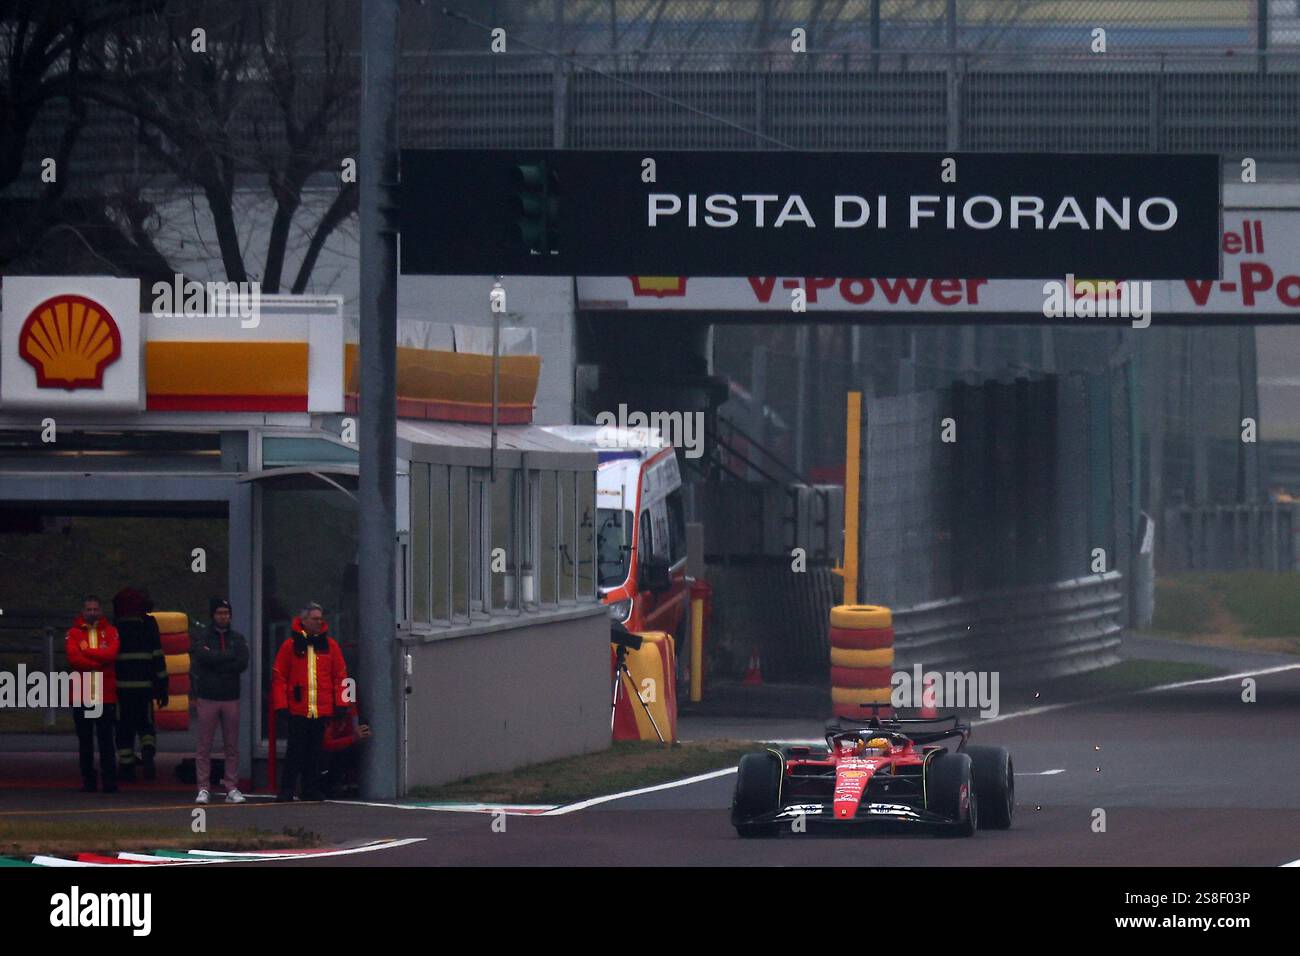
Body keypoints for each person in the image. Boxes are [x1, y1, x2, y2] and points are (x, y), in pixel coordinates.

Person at [271, 602, 350, 802]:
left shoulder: (330, 645)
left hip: (321, 709)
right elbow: (279, 677)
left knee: (315, 753)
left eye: (320, 618)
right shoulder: (290, 646)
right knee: (295, 751)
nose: (319, 622)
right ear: (304, 620)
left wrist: (341, 704)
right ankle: (287, 789)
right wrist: (281, 706)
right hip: (298, 709)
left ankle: (310, 789)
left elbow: (341, 676)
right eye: (315, 618)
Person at [191, 597, 250, 804]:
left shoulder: (238, 638)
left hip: (230, 697)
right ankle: (203, 787)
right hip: (208, 697)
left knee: (231, 745)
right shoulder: (203, 637)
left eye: (226, 613)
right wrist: (227, 658)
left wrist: (217, 660)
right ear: (213, 615)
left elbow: (242, 662)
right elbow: (202, 658)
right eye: (219, 613)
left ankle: (231, 787)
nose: (223, 616)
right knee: (204, 745)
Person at [111, 588, 167, 782]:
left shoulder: (114, 626)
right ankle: (148, 751)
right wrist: (162, 686)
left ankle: (127, 768)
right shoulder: (149, 624)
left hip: (122, 687)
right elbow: (158, 656)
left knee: (123, 728)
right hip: (145, 686)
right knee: (145, 724)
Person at [65, 595, 120, 793]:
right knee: (85, 741)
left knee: (107, 741)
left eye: (95, 609)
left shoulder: (111, 631)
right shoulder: (73, 633)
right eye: (89, 609)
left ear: (101, 611)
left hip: (106, 696)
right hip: (82, 695)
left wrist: (87, 651)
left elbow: (111, 654)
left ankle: (109, 781)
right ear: (83, 611)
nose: (92, 613)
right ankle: (88, 780)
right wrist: (99, 662)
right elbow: (74, 659)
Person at [319, 708, 372, 798]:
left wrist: (357, 735)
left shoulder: (347, 715)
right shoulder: (329, 717)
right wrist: (353, 737)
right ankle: (327, 784)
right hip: (322, 755)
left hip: (334, 750)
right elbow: (327, 744)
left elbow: (352, 708)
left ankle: (348, 783)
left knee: (351, 750)